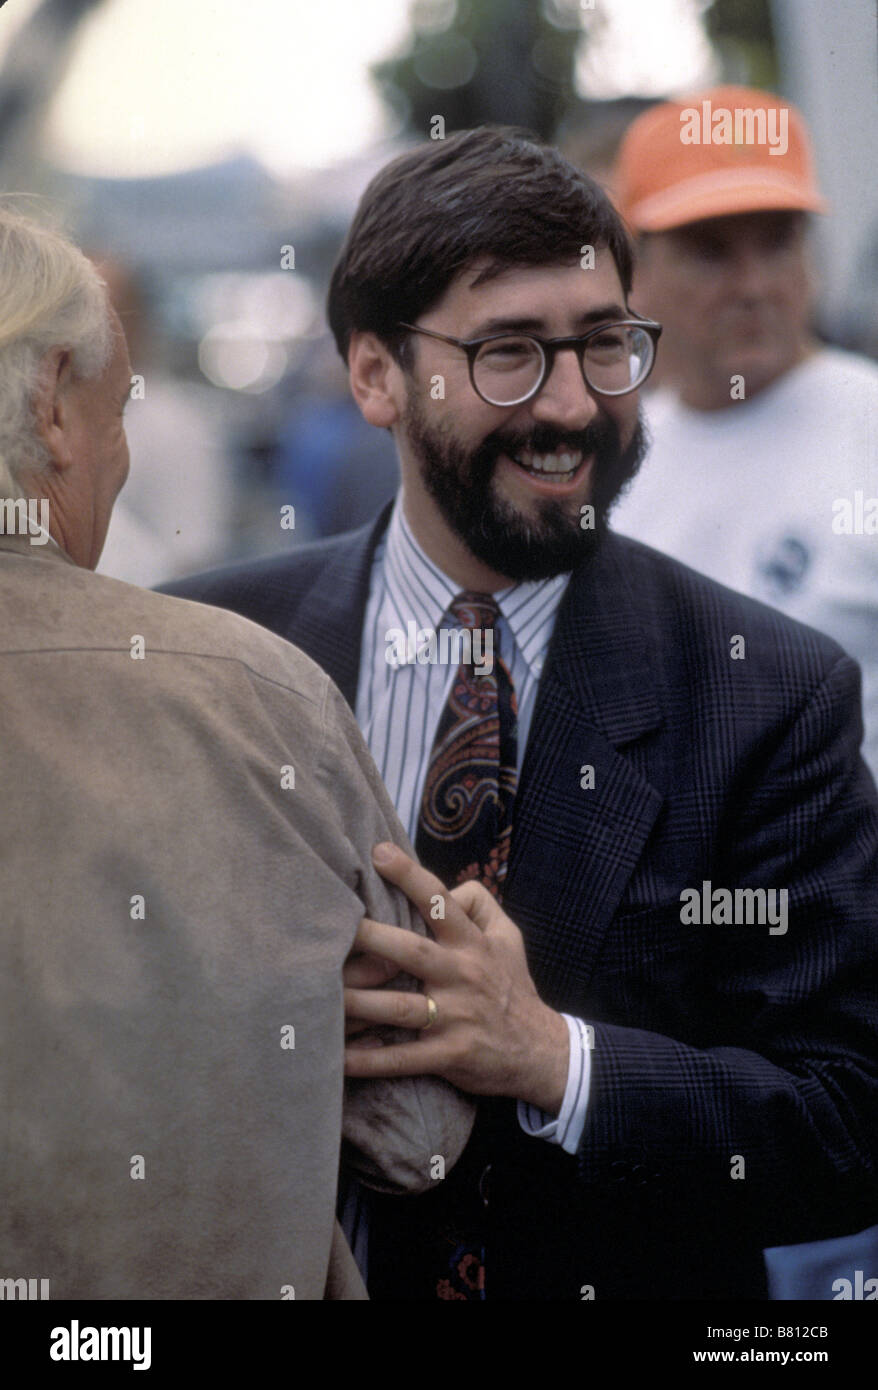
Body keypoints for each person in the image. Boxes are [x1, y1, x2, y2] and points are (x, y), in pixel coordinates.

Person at [163, 128, 878, 1301]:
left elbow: (845, 1124)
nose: (569, 404)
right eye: (506, 353)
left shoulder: (764, 694)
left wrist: (555, 1060)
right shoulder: (210, 659)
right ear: (375, 374)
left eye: (603, 344)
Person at [0, 205, 473, 1300]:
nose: (118, 461)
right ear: (50, 406)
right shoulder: (256, 699)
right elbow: (419, 1134)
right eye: (113, 413)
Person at [608, 85, 878, 781]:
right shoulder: (607, 463)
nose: (753, 284)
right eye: (711, 250)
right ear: (635, 270)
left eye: (778, 241)